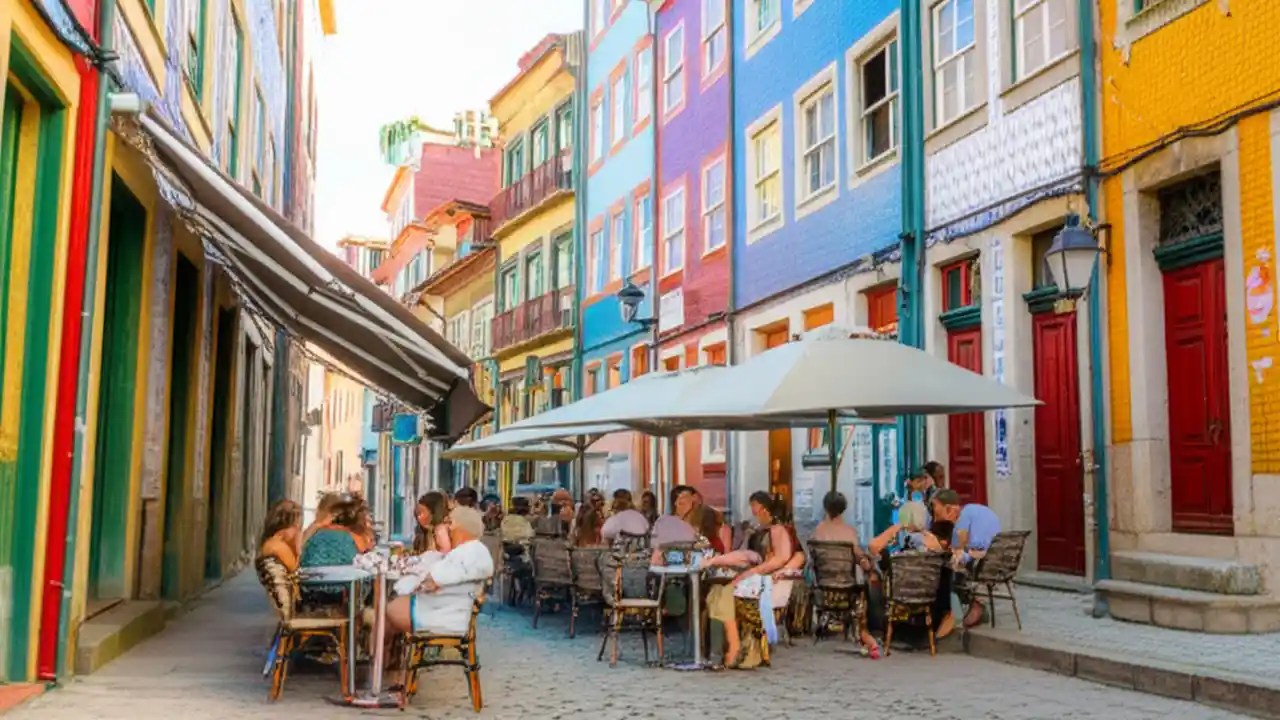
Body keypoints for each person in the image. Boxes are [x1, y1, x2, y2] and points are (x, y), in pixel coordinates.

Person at [705, 492, 796, 669]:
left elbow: (781, 558)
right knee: (716, 591)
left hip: (766, 582)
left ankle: (733, 646)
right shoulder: (760, 529)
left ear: (761, 506)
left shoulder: (777, 530)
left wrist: (753, 571)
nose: (751, 510)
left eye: (753, 506)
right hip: (753, 577)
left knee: (724, 592)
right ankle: (724, 648)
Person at [387, 506, 494, 639]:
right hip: (448, 613)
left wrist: (414, 583)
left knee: (382, 617)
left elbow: (431, 581)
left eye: (450, 522)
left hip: (440, 618)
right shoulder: (472, 551)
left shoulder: (467, 553)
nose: (448, 528)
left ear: (462, 527)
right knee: (384, 621)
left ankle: (378, 657)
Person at [931, 488, 1001, 627]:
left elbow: (959, 548)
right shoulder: (973, 511)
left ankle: (963, 608)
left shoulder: (962, 518)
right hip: (996, 558)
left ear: (949, 508)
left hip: (983, 561)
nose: (934, 514)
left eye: (936, 508)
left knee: (948, 568)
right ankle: (971, 605)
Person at [259, 500, 303, 572]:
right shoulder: (278, 547)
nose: (297, 533)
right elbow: (293, 569)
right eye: (296, 528)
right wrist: (297, 550)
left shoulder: (270, 543)